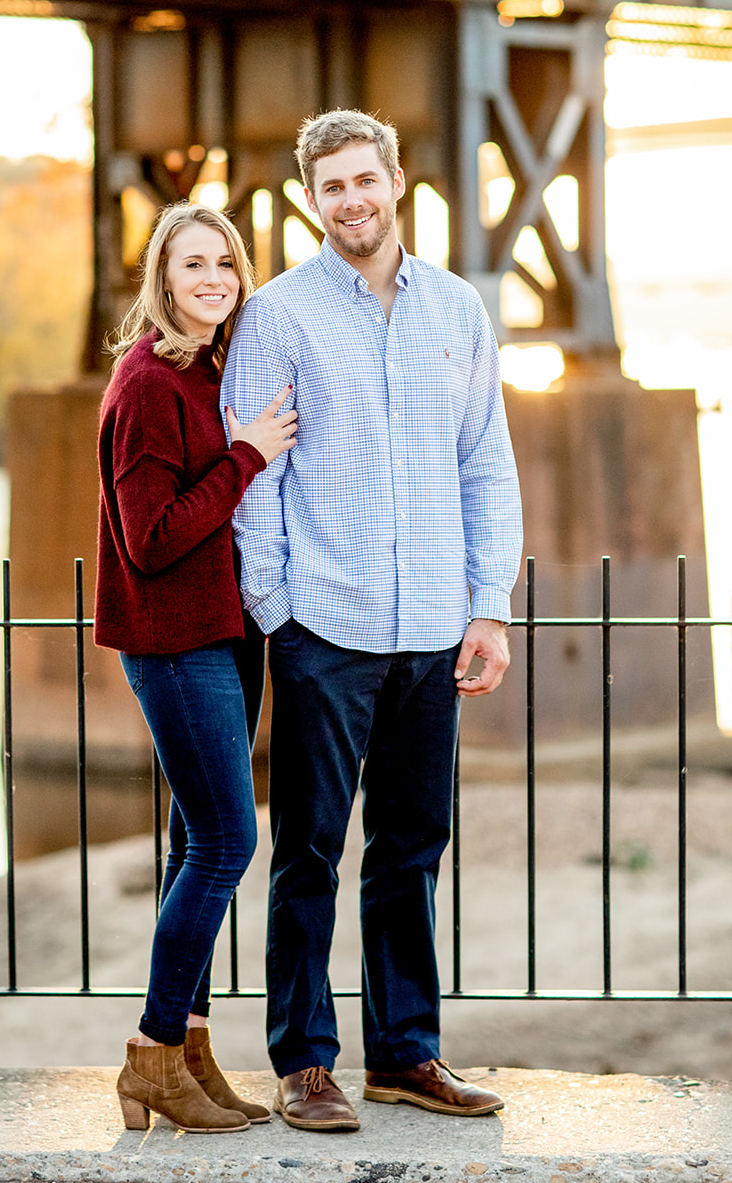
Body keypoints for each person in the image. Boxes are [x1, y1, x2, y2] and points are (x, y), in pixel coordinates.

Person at [221, 111, 523, 1132]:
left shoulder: (456, 308)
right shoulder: (278, 314)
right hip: (327, 626)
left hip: (434, 622)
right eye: (331, 186)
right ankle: (305, 1062)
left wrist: (488, 604)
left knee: (410, 846)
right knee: (307, 848)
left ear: (396, 179)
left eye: (364, 178)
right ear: (312, 199)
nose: (351, 199)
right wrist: (276, 607)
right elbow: (255, 474)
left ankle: (403, 1054)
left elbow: (483, 459)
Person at [94, 201, 297, 1133]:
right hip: (174, 642)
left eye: (226, 263)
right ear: (162, 279)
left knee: (195, 844)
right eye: (192, 265)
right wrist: (246, 457)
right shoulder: (146, 382)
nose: (213, 278)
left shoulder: (207, 369)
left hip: (222, 633)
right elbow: (148, 538)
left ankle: (191, 1048)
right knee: (226, 844)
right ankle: (151, 1053)